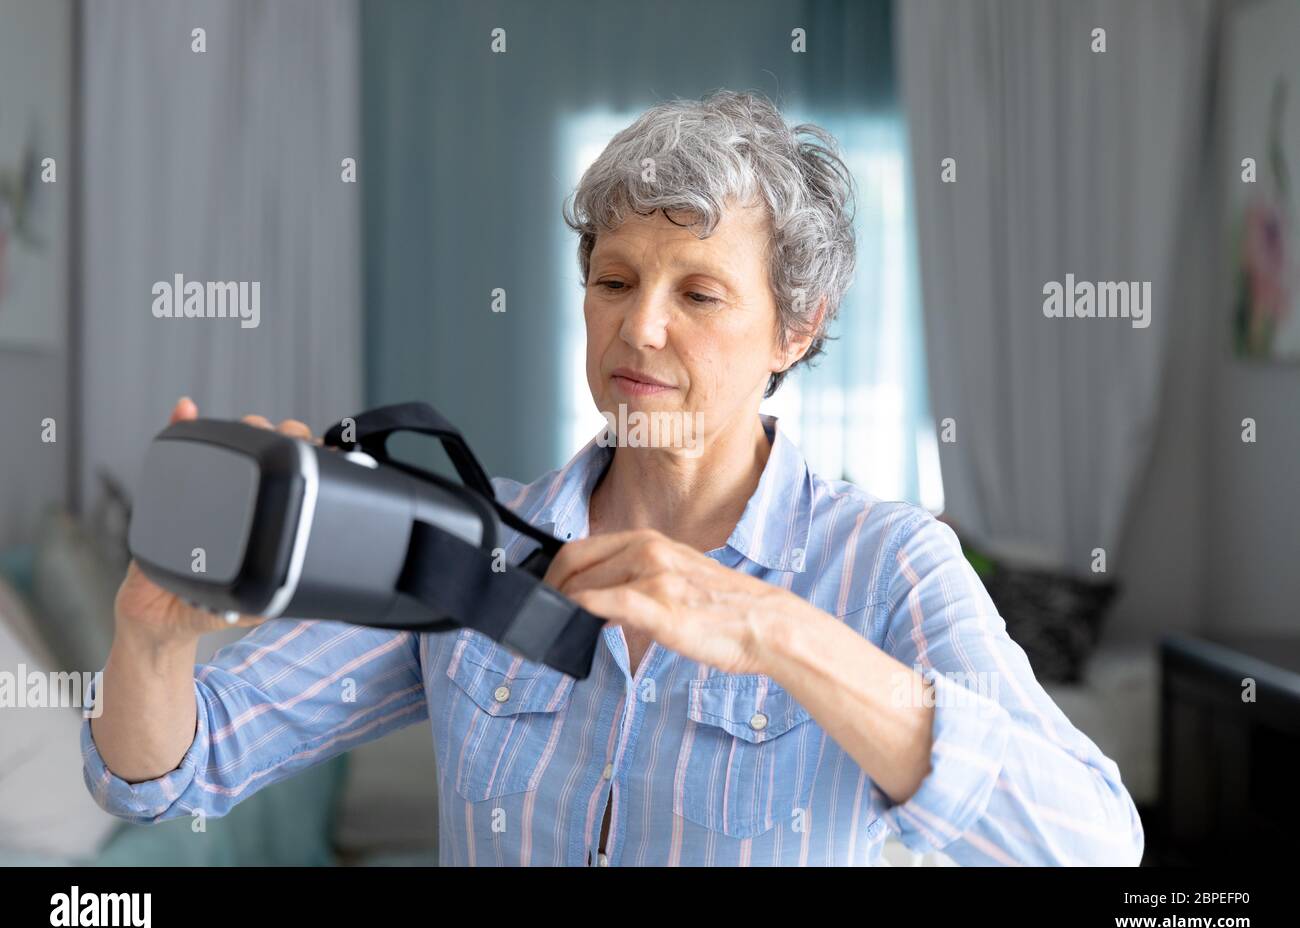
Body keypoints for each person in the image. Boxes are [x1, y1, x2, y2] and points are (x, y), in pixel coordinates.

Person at [85, 90, 1143, 866]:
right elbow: (168, 774)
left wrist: (778, 631)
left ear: (797, 327)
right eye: (614, 280)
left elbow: (1092, 843)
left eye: (699, 294)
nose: (640, 327)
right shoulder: (470, 542)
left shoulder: (888, 565)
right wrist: (152, 642)